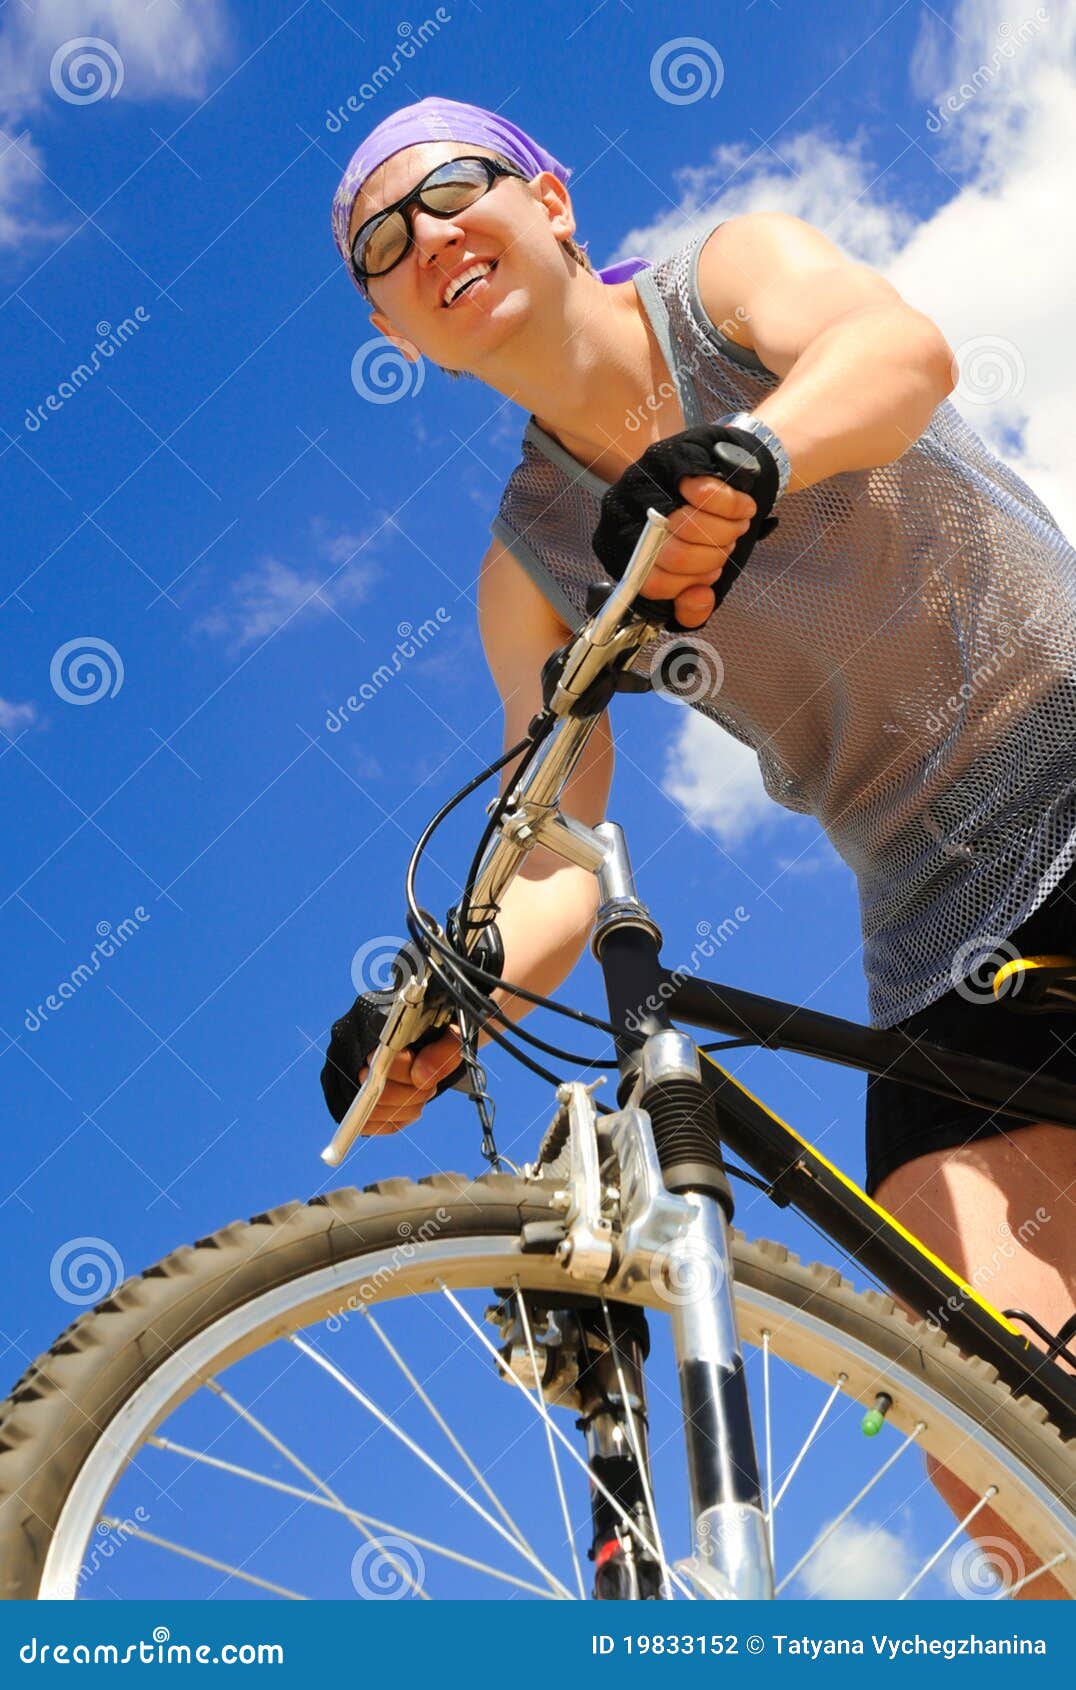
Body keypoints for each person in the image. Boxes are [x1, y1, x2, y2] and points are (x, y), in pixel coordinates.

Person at [323, 97, 1076, 1596]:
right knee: (984, 1408)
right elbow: (560, 835)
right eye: (381, 250)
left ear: (550, 197)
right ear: (400, 334)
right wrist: (457, 1003)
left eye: (451, 188)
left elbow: (899, 354)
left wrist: (747, 453)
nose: (427, 241)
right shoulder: (531, 563)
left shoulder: (728, 279)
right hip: (937, 928)